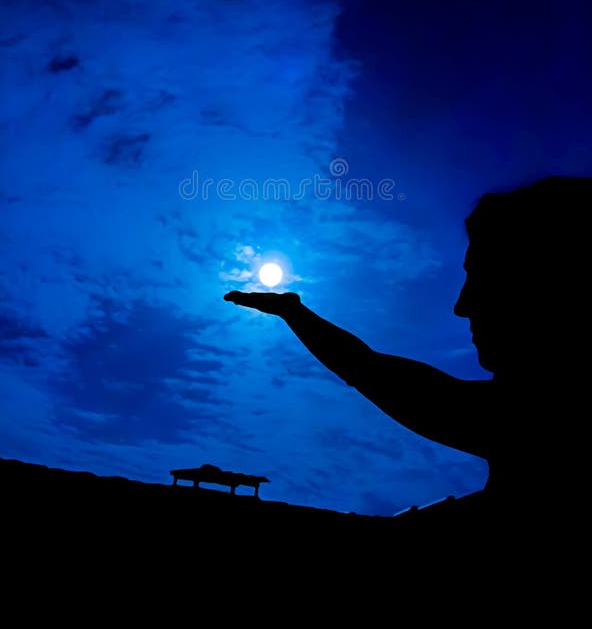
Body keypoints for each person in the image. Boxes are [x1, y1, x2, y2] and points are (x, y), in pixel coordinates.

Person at [225, 175, 590, 520]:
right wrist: (296, 314)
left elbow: (383, 378)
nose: (461, 305)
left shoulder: (536, 420)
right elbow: (379, 375)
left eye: (483, 277)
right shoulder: (521, 420)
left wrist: (296, 315)